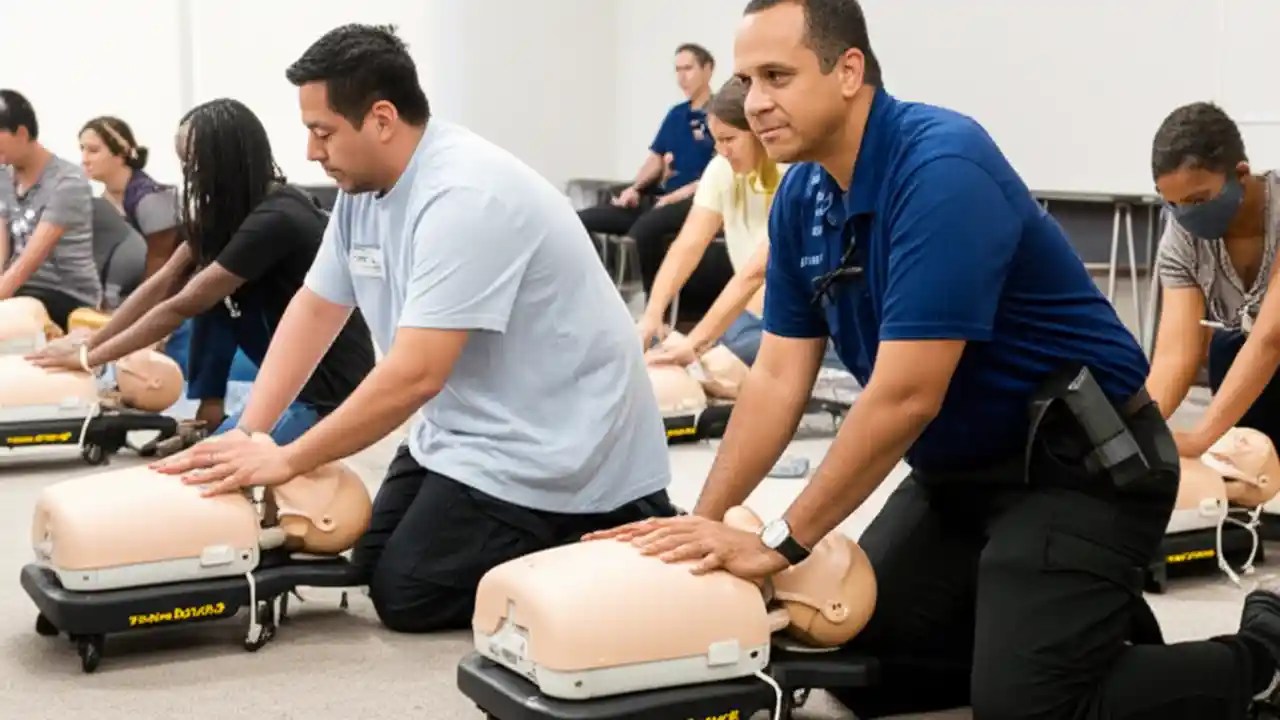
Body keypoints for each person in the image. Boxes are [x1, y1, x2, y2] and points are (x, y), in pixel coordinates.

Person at [587, 1, 1280, 718]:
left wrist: (779, 541)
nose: (755, 103)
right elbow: (775, 377)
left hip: (1081, 470)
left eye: (776, 76)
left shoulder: (941, 166)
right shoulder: (803, 195)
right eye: (746, 79)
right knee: (864, 669)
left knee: (1026, 710)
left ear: (848, 70)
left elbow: (905, 397)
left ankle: (1262, 656)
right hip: (958, 476)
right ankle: (1081, 628)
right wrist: (703, 527)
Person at [151, 24, 676, 634]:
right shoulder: (363, 192)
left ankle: (619, 520)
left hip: (561, 444)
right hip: (471, 430)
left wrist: (288, 460)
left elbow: (415, 375)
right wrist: (251, 433)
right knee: (374, 562)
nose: (312, 153)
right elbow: (315, 309)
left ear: (380, 119)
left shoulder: (465, 196)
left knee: (409, 596)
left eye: (323, 133)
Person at [28, 98, 376, 443]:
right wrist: (93, 343)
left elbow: (183, 303)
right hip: (284, 381)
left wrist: (90, 358)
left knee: (208, 470)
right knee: (215, 300)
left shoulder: (277, 217)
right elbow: (164, 282)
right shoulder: (223, 214)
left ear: (222, 164)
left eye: (194, 165)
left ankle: (222, 425)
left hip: (326, 390)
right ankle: (211, 410)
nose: (190, 175)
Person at [1147, 101, 1280, 461]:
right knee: (1228, 344)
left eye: (1198, 199)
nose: (1186, 215)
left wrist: (1200, 438)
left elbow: (1272, 337)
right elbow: (1177, 353)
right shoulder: (1181, 238)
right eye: (1172, 204)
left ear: (1241, 173)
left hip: (1274, 350)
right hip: (1260, 373)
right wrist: (1138, 432)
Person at [638, 76, 781, 367]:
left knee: (719, 355)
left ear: (757, 131)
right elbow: (687, 245)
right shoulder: (721, 169)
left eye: (729, 139)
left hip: (788, 319)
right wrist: (652, 315)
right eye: (717, 142)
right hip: (749, 316)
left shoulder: (793, 173)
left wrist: (698, 342)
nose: (722, 151)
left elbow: (758, 272)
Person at [578, 44, 724, 320]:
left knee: (643, 230)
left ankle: (653, 315)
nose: (682, 77)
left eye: (688, 68)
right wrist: (633, 188)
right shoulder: (675, 114)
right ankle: (595, 303)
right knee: (582, 220)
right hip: (660, 198)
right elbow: (655, 160)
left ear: (708, 69)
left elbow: (720, 171)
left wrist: (675, 195)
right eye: (677, 70)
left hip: (698, 200)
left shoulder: (719, 115)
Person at [0, 90, 100, 329]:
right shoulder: (3, 176)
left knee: (14, 318)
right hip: (19, 291)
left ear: (22, 133)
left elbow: (32, 258)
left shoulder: (68, 182)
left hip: (65, 294)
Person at [79, 117, 181, 279]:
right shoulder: (101, 203)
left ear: (121, 153)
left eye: (93, 150)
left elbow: (164, 268)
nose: (84, 159)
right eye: (82, 149)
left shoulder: (152, 198)